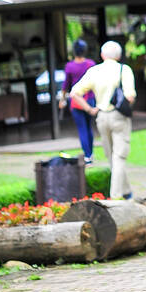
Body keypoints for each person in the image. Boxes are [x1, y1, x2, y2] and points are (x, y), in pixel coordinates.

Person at [69, 41, 137, 199]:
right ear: (119, 56)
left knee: (111, 155)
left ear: (102, 55)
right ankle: (116, 195)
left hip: (101, 117)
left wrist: (89, 109)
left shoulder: (95, 71)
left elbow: (74, 93)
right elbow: (130, 96)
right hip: (118, 116)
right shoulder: (124, 70)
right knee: (119, 156)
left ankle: (127, 193)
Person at [59, 38, 96, 163]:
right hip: (90, 100)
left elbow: (66, 85)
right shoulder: (90, 64)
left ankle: (87, 157)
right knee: (89, 127)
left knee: (82, 129)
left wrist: (62, 99)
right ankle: (91, 154)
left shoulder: (70, 66)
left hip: (76, 101)